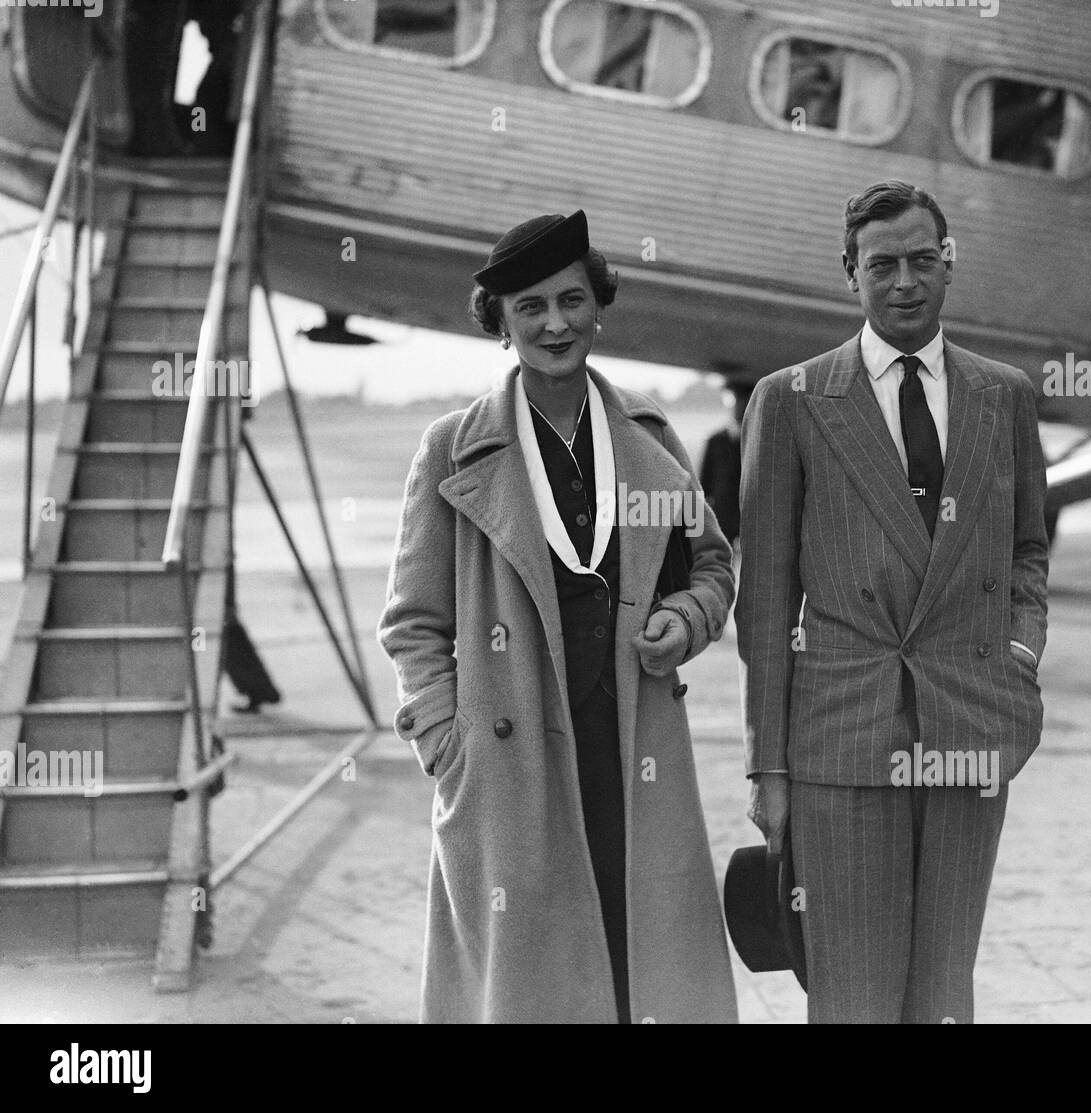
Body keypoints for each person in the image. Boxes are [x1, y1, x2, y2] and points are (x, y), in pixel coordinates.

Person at [378, 210, 737, 1024]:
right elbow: (412, 623)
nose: (555, 322)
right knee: (531, 985)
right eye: (530, 306)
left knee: (640, 960)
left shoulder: (648, 436)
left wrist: (684, 618)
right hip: (510, 764)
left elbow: (715, 566)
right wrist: (449, 744)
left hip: (631, 745)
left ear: (598, 307)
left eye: (572, 300)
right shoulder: (449, 449)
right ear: (500, 322)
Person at [737, 181, 1049, 1023]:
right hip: (843, 737)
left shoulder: (1004, 395)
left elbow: (1027, 549)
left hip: (970, 728)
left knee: (945, 988)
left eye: (922, 260)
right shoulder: (792, 399)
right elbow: (765, 603)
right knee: (855, 993)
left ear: (949, 265)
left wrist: (1019, 652)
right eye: (883, 265)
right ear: (851, 275)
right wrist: (769, 766)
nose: (905, 281)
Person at [699, 381, 753, 549]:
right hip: (723, 513)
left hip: (749, 514)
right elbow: (705, 479)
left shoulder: (758, 439)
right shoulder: (716, 440)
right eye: (738, 402)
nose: (740, 407)